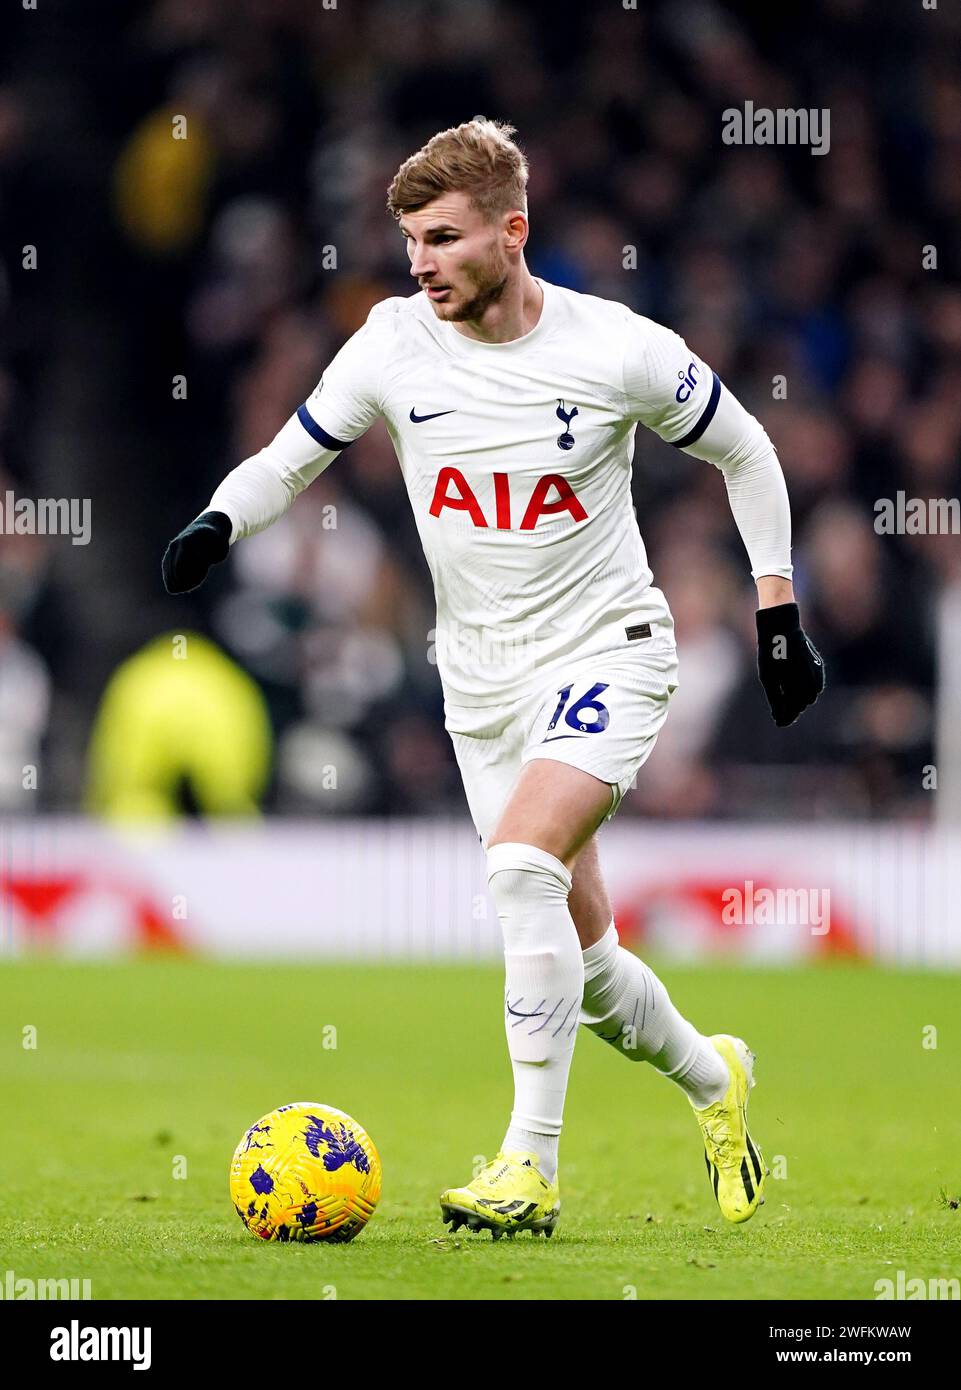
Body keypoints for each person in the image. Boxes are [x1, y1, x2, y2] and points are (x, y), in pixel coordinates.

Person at [163, 117, 824, 1238]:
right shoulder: (388, 343)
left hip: (608, 652)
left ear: (511, 233)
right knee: (593, 965)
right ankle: (717, 1080)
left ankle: (530, 1164)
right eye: (409, 241)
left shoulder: (614, 348)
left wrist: (774, 610)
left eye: (440, 238)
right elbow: (291, 454)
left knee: (520, 865)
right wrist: (219, 521)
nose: (418, 262)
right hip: (479, 687)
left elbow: (745, 448)